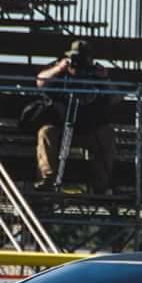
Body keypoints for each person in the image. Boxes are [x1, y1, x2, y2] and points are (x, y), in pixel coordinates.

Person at [34, 39, 117, 193]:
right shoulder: (60, 73)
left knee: (107, 133)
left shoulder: (96, 76)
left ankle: (101, 185)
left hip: (89, 129)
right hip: (60, 128)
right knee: (46, 132)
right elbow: (40, 82)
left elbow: (115, 98)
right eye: (75, 58)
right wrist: (59, 68)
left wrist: (104, 78)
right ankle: (47, 179)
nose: (78, 64)